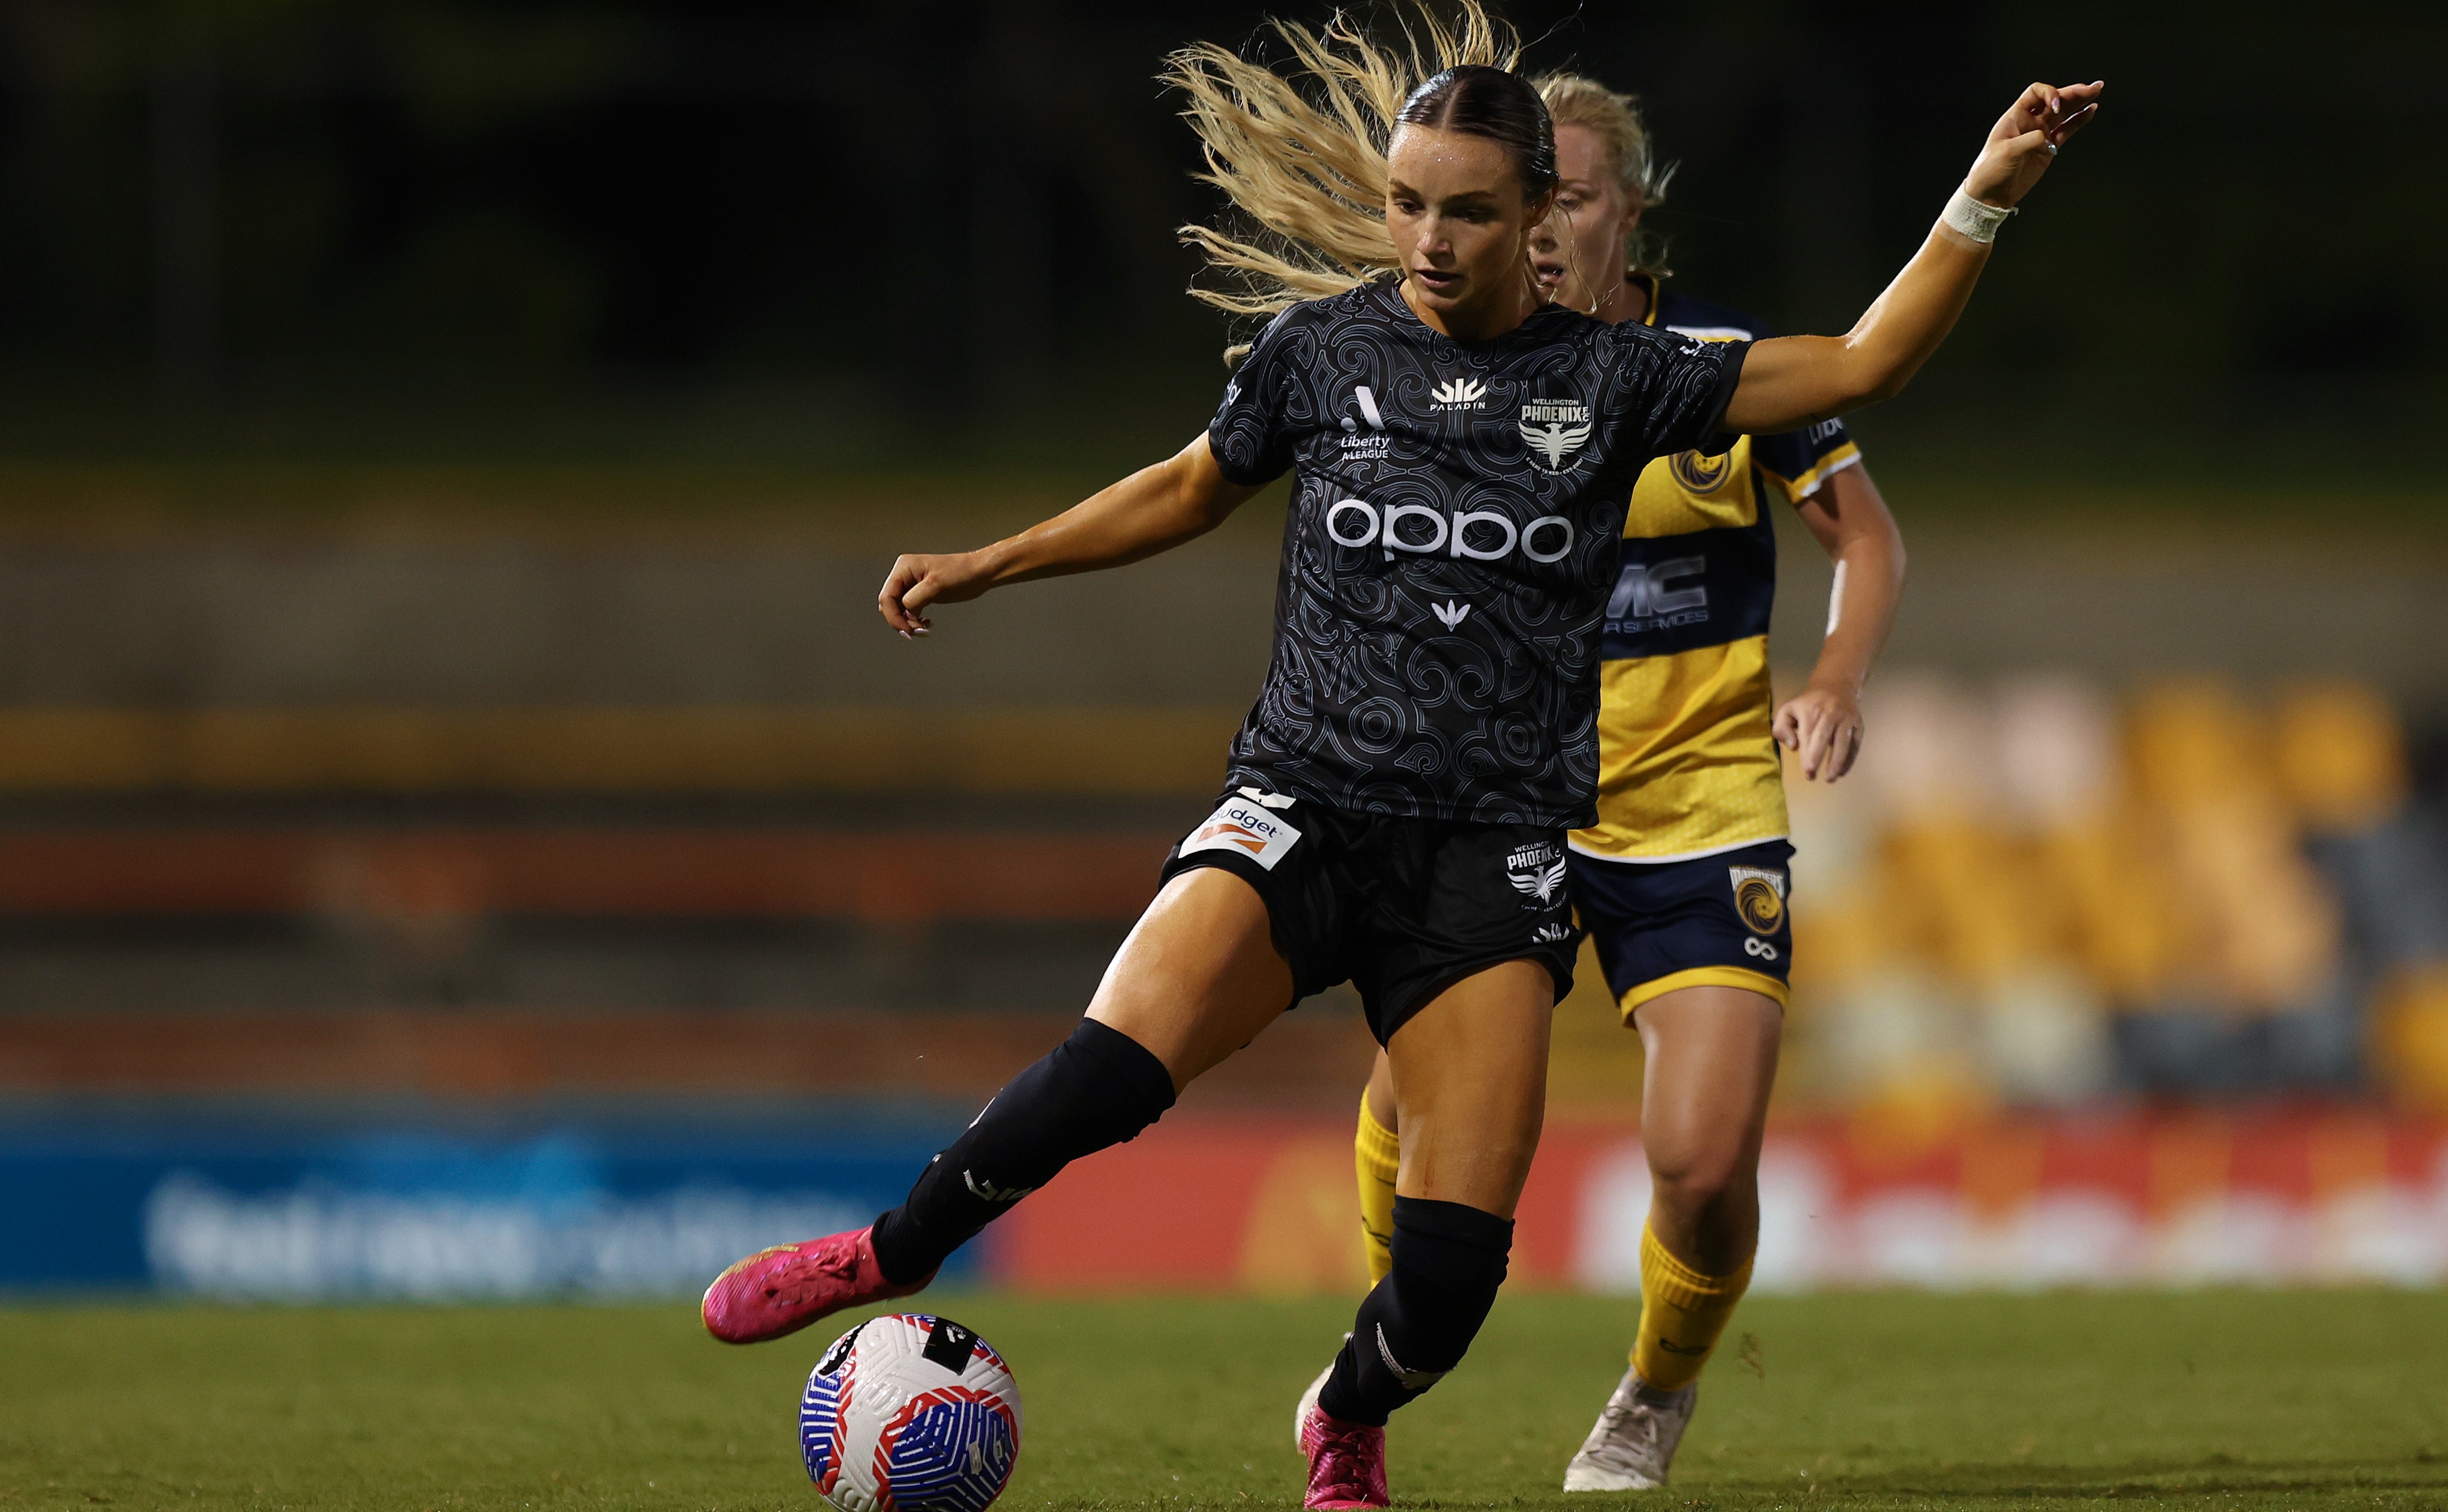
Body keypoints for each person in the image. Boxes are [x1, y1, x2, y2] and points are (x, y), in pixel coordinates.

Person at [699, 5, 2097, 1506]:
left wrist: (1984, 192)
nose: (1430, 239)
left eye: (1469, 211)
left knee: (1442, 1293)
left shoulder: (1617, 382)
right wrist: (991, 560)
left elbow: (1869, 364)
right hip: (1303, 802)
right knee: (1098, 1074)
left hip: (1489, 861)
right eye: (1407, 204)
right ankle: (879, 1254)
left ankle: (1348, 1415)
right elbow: (1186, 491)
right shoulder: (1321, 348)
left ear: (1535, 219)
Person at [1318, 71, 1906, 1494]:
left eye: (1567, 198)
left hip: (1699, 808)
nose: (1536, 232)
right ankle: (1378, 1365)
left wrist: (1829, 682)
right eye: (1526, 202)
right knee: (1406, 1108)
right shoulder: (1464, 369)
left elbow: (1867, 543)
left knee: (1699, 1165)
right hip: (1510, 802)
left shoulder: (1716, 373)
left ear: (1625, 211)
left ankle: (1653, 1388)